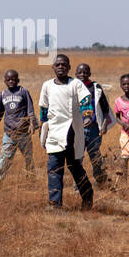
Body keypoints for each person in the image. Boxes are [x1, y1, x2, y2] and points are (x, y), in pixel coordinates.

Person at [38, 54, 94, 209]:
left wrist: (87, 116)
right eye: (58, 64)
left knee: (74, 167)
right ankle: (55, 203)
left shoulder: (76, 84)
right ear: (53, 67)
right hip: (54, 132)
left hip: (72, 132)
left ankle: (88, 196)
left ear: (69, 67)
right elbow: (44, 108)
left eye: (64, 64)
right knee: (54, 168)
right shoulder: (47, 85)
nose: (61, 67)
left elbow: (86, 101)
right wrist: (43, 129)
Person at [0, 69, 39, 181]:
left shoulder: (23, 91)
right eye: (8, 79)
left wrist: (32, 123)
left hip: (24, 133)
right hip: (9, 133)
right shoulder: (3, 94)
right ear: (5, 81)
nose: (11, 81)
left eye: (14, 79)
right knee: (5, 157)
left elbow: (30, 109)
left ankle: (31, 177)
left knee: (28, 156)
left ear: (18, 80)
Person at [75, 63, 114, 186]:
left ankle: (100, 180)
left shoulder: (96, 88)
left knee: (95, 156)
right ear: (75, 74)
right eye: (80, 72)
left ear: (89, 74)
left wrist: (103, 124)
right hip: (77, 129)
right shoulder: (72, 88)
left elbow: (105, 108)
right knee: (78, 158)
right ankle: (79, 185)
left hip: (94, 129)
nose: (82, 75)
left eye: (85, 72)